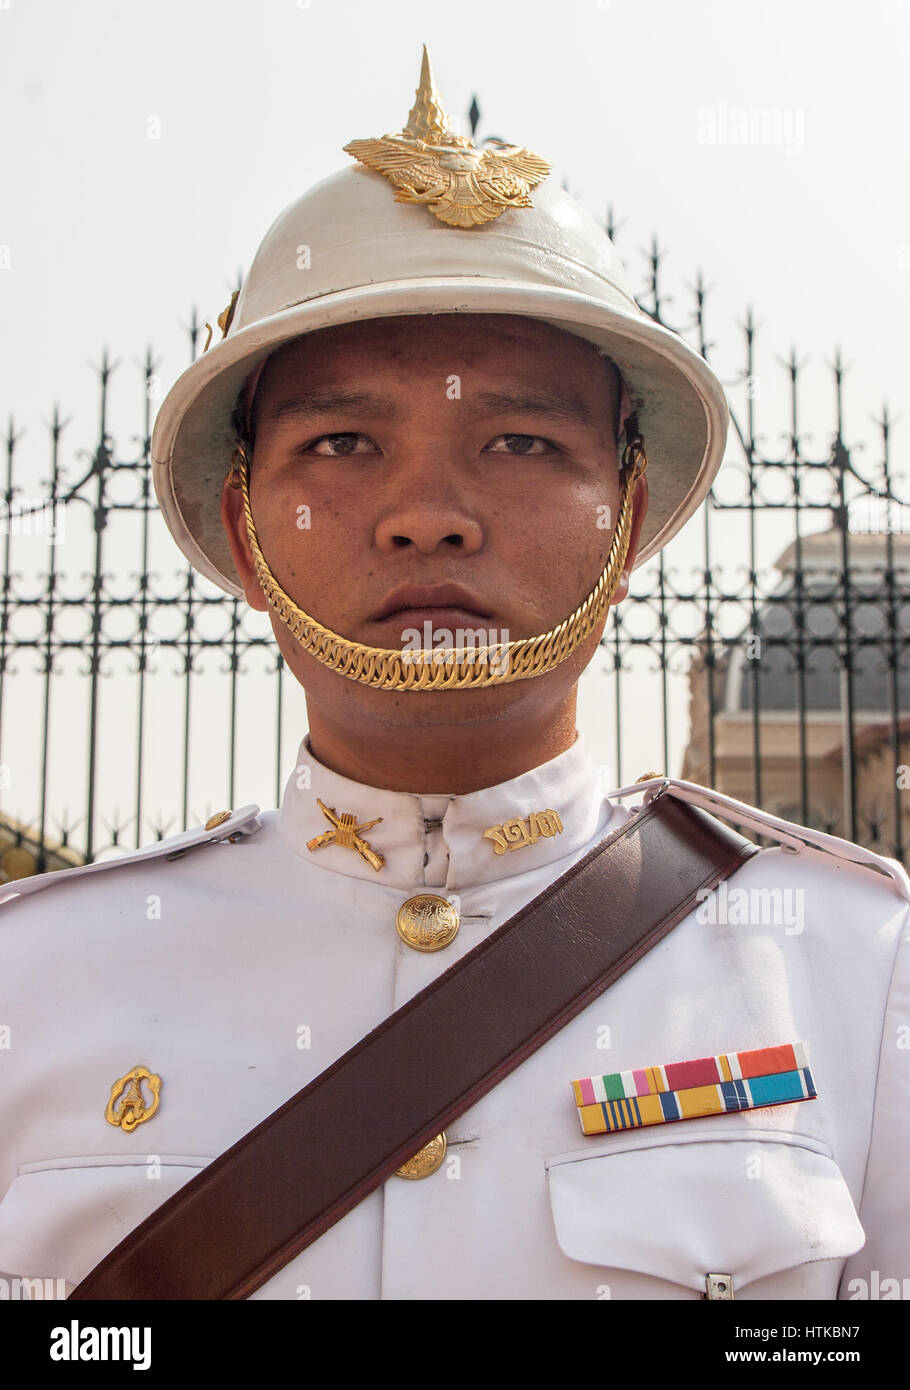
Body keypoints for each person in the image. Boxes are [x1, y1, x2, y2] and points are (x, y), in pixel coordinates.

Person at [0, 48, 907, 1303]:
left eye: (522, 440)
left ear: (630, 514)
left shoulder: (862, 977)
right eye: (342, 442)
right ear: (243, 521)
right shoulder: (32, 983)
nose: (428, 515)